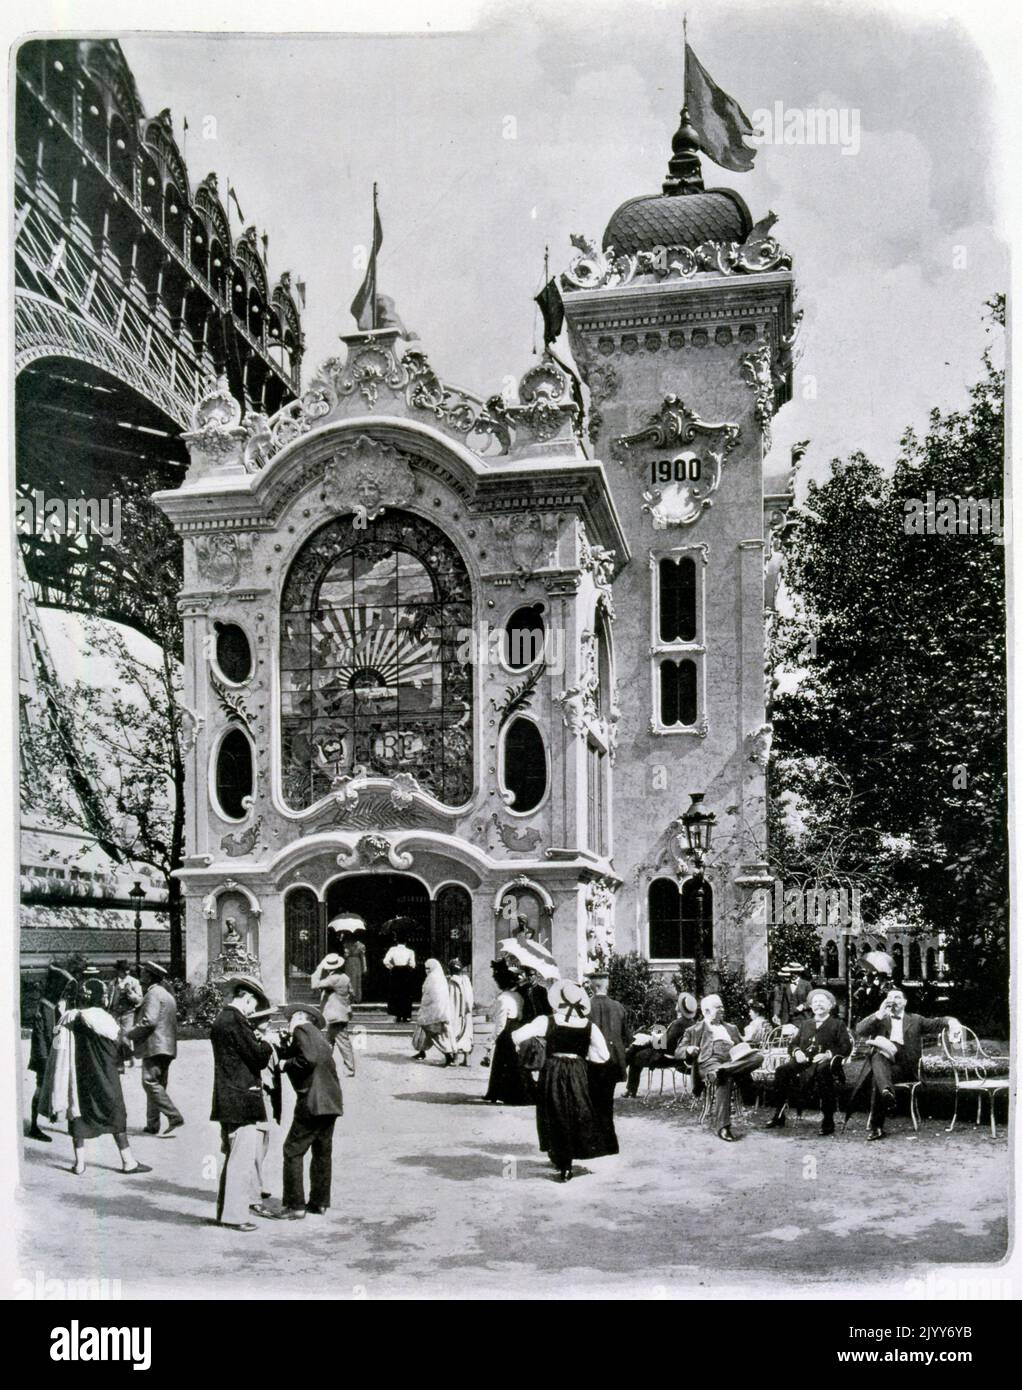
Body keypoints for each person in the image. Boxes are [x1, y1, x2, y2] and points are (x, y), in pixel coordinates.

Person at [40, 978, 151, 1176]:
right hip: (105, 1076)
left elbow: (57, 1045)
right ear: (101, 998)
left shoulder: (69, 1018)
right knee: (116, 1114)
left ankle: (79, 1164)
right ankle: (128, 1162)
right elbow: (120, 1047)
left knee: (78, 1114)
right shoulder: (105, 1020)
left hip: (79, 1076)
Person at [513, 980, 615, 1182]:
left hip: (553, 1069)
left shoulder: (547, 1021)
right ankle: (568, 1161)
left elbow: (517, 1036)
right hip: (578, 1071)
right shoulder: (589, 1026)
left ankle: (561, 1158)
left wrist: (535, 1045)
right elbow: (602, 1056)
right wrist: (584, 1057)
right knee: (575, 1111)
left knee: (554, 1111)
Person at [210, 975, 277, 1231]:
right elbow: (258, 1058)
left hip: (228, 1096)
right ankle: (235, 1217)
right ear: (247, 998)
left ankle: (225, 1213)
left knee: (233, 1157)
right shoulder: (237, 1021)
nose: (253, 1011)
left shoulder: (223, 1019)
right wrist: (268, 1044)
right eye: (253, 1006)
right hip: (241, 1097)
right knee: (240, 1160)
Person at [854, 989, 959, 1141]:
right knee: (878, 1058)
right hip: (886, 1065)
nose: (892, 1000)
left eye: (897, 997)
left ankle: (881, 1112)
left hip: (906, 1067)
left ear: (904, 1002)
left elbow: (937, 1023)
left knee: (878, 1075)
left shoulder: (915, 1019)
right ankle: (885, 1095)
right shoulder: (880, 1019)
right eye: (889, 997)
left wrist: (952, 1021)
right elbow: (859, 1030)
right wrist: (879, 1014)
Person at [276, 1004, 344, 1218]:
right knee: (322, 1152)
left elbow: (308, 1059)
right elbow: (311, 1055)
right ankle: (319, 1202)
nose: (289, 1022)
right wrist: (285, 1046)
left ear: (299, 1017)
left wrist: (285, 1063)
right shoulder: (318, 1035)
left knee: (292, 1150)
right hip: (331, 1102)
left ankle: (295, 1205)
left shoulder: (301, 1029)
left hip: (312, 1101)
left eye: (291, 1018)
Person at [765, 988, 852, 1135]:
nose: (818, 1005)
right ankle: (779, 1115)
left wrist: (828, 1054)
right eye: (815, 1002)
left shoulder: (837, 1024)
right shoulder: (806, 1024)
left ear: (830, 1005)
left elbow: (845, 1047)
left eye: (822, 1002)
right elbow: (793, 1044)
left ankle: (828, 1120)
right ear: (811, 1006)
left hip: (827, 1063)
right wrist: (797, 1052)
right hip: (804, 1061)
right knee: (782, 1071)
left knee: (823, 1071)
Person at [681, 994, 762, 1142]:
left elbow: (742, 1045)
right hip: (710, 1061)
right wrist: (689, 1049)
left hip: (732, 1060)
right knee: (725, 1078)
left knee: (758, 1057)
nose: (723, 1009)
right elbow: (679, 1050)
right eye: (719, 1007)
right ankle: (722, 1127)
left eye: (722, 1006)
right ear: (706, 1011)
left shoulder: (731, 1027)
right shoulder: (694, 1030)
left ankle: (722, 1071)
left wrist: (746, 1049)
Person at [126, 961, 183, 1136]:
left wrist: (130, 1034)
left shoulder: (153, 995)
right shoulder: (166, 994)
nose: (141, 975)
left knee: (149, 1082)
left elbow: (148, 1021)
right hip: (167, 1046)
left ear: (150, 976)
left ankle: (174, 1116)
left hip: (155, 1045)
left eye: (143, 973)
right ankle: (152, 1124)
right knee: (158, 1085)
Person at [27, 963, 74, 1141]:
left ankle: (48, 1116)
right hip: (44, 1057)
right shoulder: (44, 1009)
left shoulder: (51, 1006)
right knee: (40, 1089)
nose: (64, 992)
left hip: (51, 1055)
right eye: (62, 988)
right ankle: (33, 1126)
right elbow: (40, 1037)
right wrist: (46, 1060)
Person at [586, 971, 631, 1144]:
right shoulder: (618, 1007)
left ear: (592, 986)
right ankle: (608, 1138)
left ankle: (595, 1137)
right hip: (614, 1060)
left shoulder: (587, 1007)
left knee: (593, 1098)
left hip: (593, 1059)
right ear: (606, 985)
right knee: (607, 1100)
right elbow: (627, 1036)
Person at [624, 992, 698, 1098]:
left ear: (680, 1008)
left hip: (666, 1058)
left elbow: (665, 1045)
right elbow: (672, 1041)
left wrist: (651, 1040)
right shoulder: (692, 1023)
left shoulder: (678, 1023)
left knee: (636, 1053)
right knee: (638, 1045)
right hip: (679, 1058)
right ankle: (625, 1069)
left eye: (678, 1003)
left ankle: (630, 1088)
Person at [483, 960, 533, 1104]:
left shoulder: (502, 998)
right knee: (515, 1063)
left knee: (502, 1063)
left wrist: (492, 1039)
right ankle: (516, 1094)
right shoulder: (518, 996)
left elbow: (500, 1023)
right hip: (517, 1027)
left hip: (507, 1031)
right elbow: (521, 1015)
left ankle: (500, 1093)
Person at [310, 952, 356, 1078]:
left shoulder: (332, 979)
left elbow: (314, 985)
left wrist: (318, 969)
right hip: (341, 1013)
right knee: (328, 1042)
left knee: (341, 1042)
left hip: (334, 1015)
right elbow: (352, 993)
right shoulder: (345, 977)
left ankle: (349, 1069)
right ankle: (325, 1066)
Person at [413, 958, 455, 1063]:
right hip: (437, 1010)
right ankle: (421, 1051)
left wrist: (424, 1006)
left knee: (435, 1034)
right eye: (425, 968)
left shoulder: (433, 978)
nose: (426, 970)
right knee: (423, 1030)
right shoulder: (439, 978)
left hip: (433, 1010)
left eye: (428, 968)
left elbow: (430, 995)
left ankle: (448, 1054)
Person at [108, 961, 143, 1066]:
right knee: (115, 1036)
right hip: (115, 1012)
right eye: (124, 970)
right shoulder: (113, 983)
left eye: (128, 970)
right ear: (119, 971)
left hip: (128, 1012)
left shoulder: (134, 982)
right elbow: (109, 998)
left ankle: (130, 1056)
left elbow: (140, 999)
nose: (126, 972)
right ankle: (120, 1061)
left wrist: (131, 993)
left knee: (126, 1035)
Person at [382, 920, 417, 1022]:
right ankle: (406, 1015)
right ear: (406, 942)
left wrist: (391, 967)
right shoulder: (410, 951)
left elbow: (385, 961)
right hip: (405, 972)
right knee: (406, 994)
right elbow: (413, 964)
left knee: (396, 993)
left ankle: (397, 1014)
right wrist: (409, 968)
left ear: (397, 941)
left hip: (396, 971)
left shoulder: (392, 950)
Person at [448, 958, 474, 1065]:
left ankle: (455, 1058)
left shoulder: (450, 982)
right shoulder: (466, 980)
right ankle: (466, 1059)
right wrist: (469, 1008)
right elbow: (470, 996)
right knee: (466, 1033)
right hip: (466, 1012)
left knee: (455, 1032)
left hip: (455, 1011)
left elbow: (449, 998)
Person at [341, 925, 367, 1004]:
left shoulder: (358, 945)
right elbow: (363, 957)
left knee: (355, 979)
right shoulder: (350, 944)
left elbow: (362, 956)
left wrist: (365, 966)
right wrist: (365, 966)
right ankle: (354, 998)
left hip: (353, 961)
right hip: (354, 961)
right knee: (353, 979)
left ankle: (355, 998)